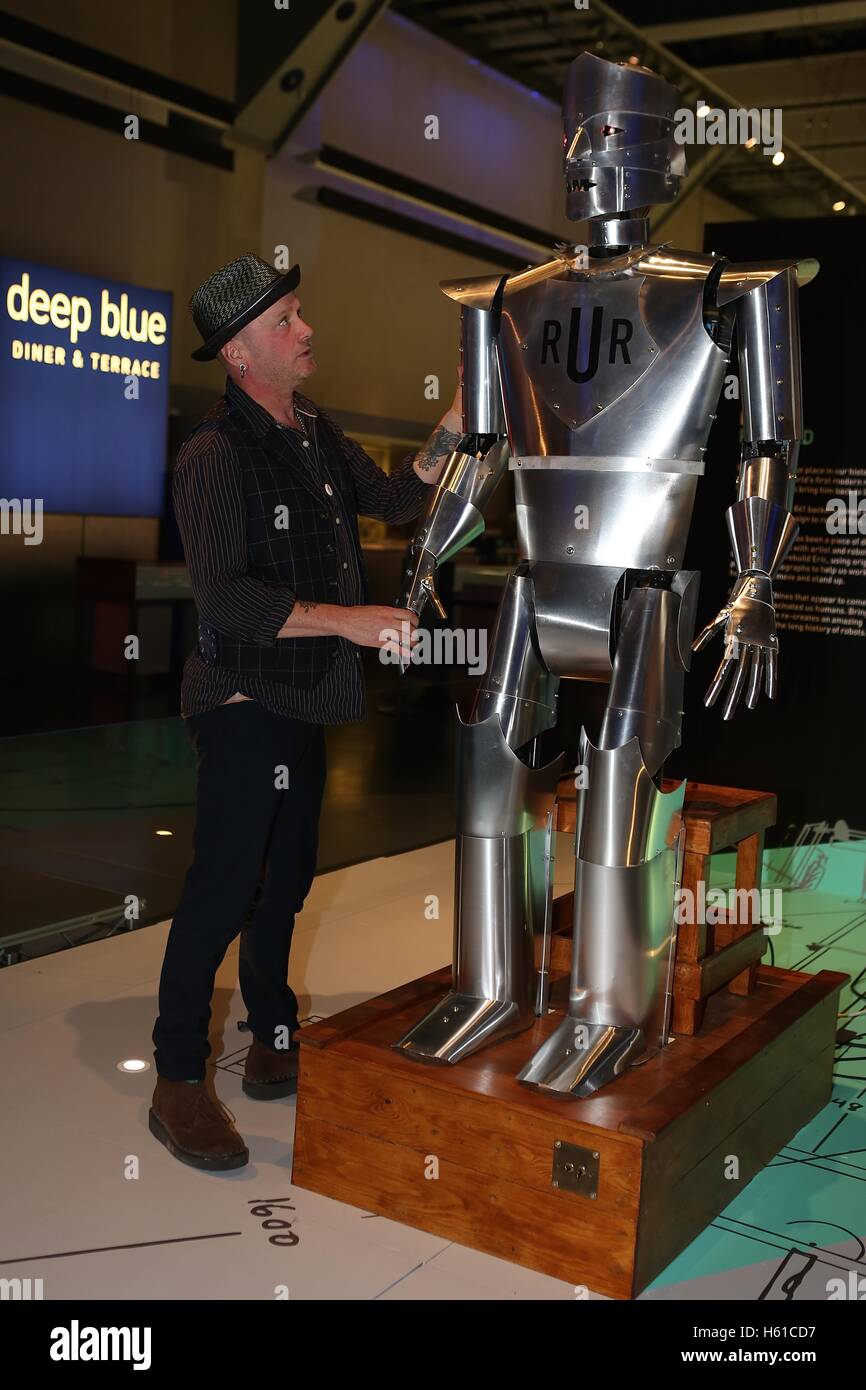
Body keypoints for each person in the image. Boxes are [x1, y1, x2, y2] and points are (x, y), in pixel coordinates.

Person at [149, 252, 462, 1171]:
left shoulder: (316, 429)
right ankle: (176, 1081)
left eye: (298, 313)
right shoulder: (211, 455)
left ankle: (274, 1038)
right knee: (223, 888)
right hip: (243, 698)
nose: (306, 329)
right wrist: (348, 622)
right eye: (286, 320)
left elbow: (398, 498)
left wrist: (452, 426)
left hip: (307, 698)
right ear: (241, 353)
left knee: (285, 884)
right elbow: (224, 600)